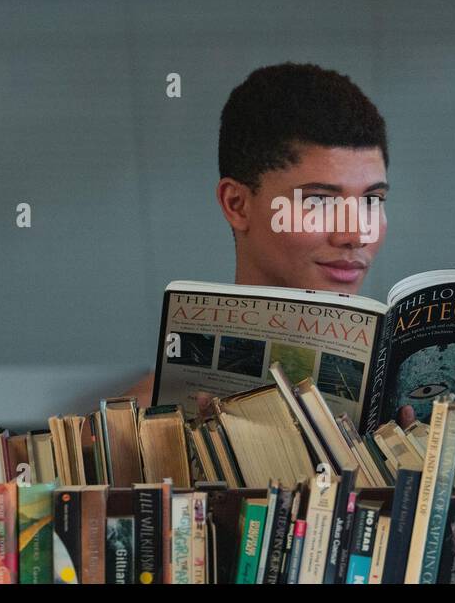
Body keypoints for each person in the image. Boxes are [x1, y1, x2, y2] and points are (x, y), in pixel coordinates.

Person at [123, 62, 390, 403]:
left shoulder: (401, 400)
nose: (356, 234)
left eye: (372, 199)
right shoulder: (137, 424)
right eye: (320, 200)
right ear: (237, 204)